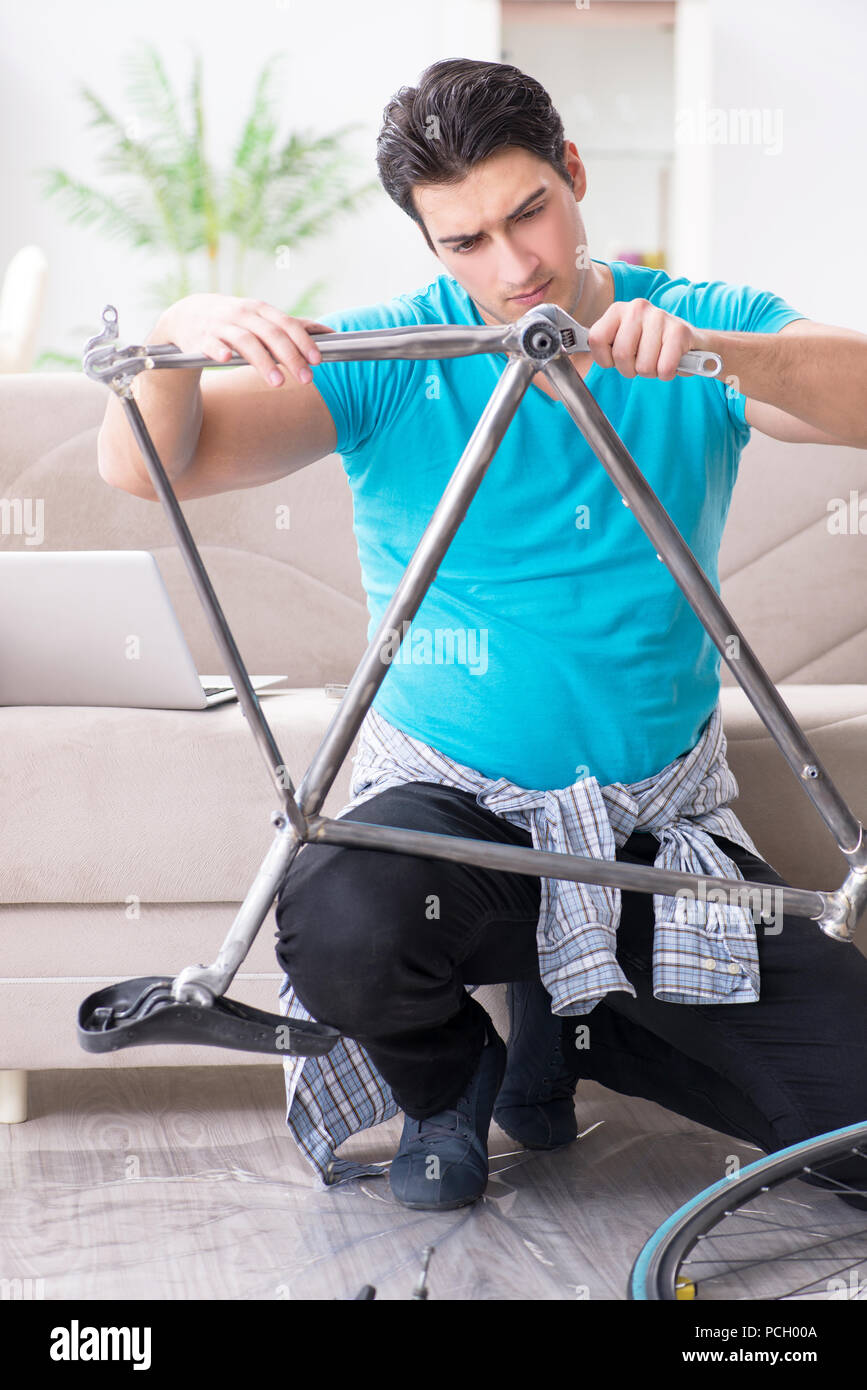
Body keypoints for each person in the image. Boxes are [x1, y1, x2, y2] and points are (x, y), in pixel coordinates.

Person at [97, 58, 867, 1215]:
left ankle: (591, 1027)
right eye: (465, 242)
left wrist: (722, 354)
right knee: (342, 915)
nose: (516, 268)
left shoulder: (695, 327)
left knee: (854, 1131)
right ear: (429, 245)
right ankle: (455, 1080)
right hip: (451, 818)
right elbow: (150, 467)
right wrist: (175, 333)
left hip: (651, 834)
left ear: (573, 172)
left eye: (529, 214)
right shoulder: (393, 361)